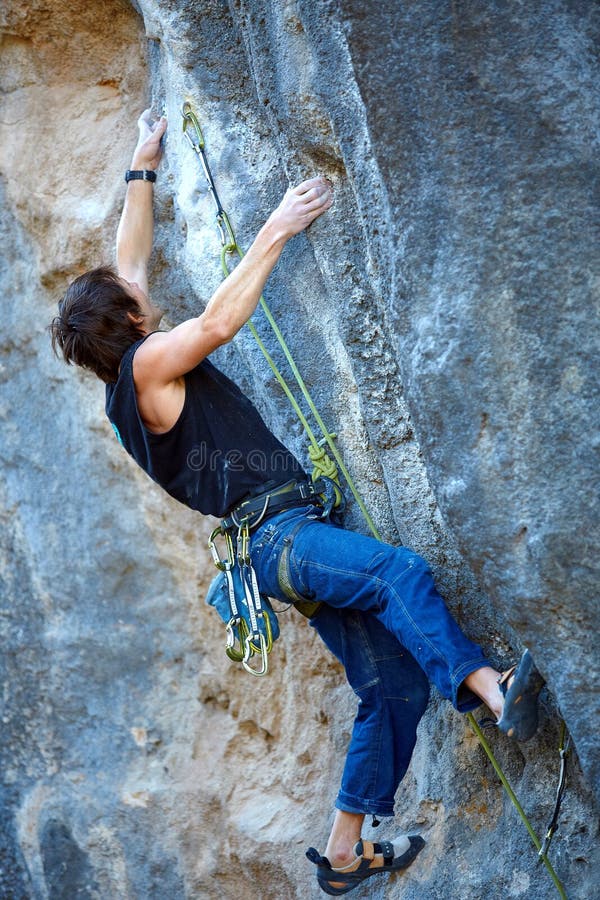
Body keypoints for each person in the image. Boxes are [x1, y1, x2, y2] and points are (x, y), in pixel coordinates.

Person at [50, 109, 545, 896]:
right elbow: (215, 321)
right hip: (281, 538)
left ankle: (344, 853)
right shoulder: (146, 370)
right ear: (130, 327)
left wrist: (143, 161)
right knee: (396, 573)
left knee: (391, 689)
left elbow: (129, 260)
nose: (142, 291)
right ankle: (490, 690)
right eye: (133, 299)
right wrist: (276, 227)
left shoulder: (127, 375)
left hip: (276, 547)